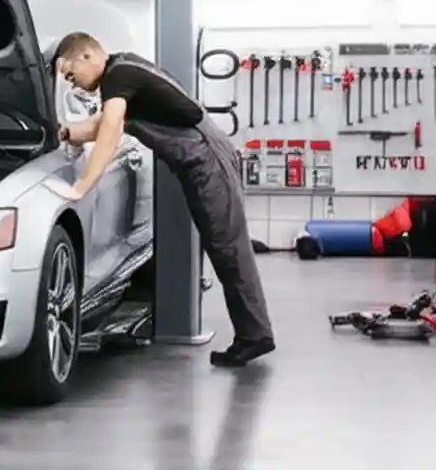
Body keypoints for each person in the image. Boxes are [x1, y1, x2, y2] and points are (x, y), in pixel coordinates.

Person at [49, 32, 275, 367]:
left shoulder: (119, 76)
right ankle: (253, 333)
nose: (75, 86)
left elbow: (110, 131)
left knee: (228, 247)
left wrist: (82, 186)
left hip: (207, 156)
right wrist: (65, 132)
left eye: (71, 76)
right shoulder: (122, 71)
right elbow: (100, 124)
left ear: (86, 57)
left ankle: (255, 336)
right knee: (223, 246)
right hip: (200, 159)